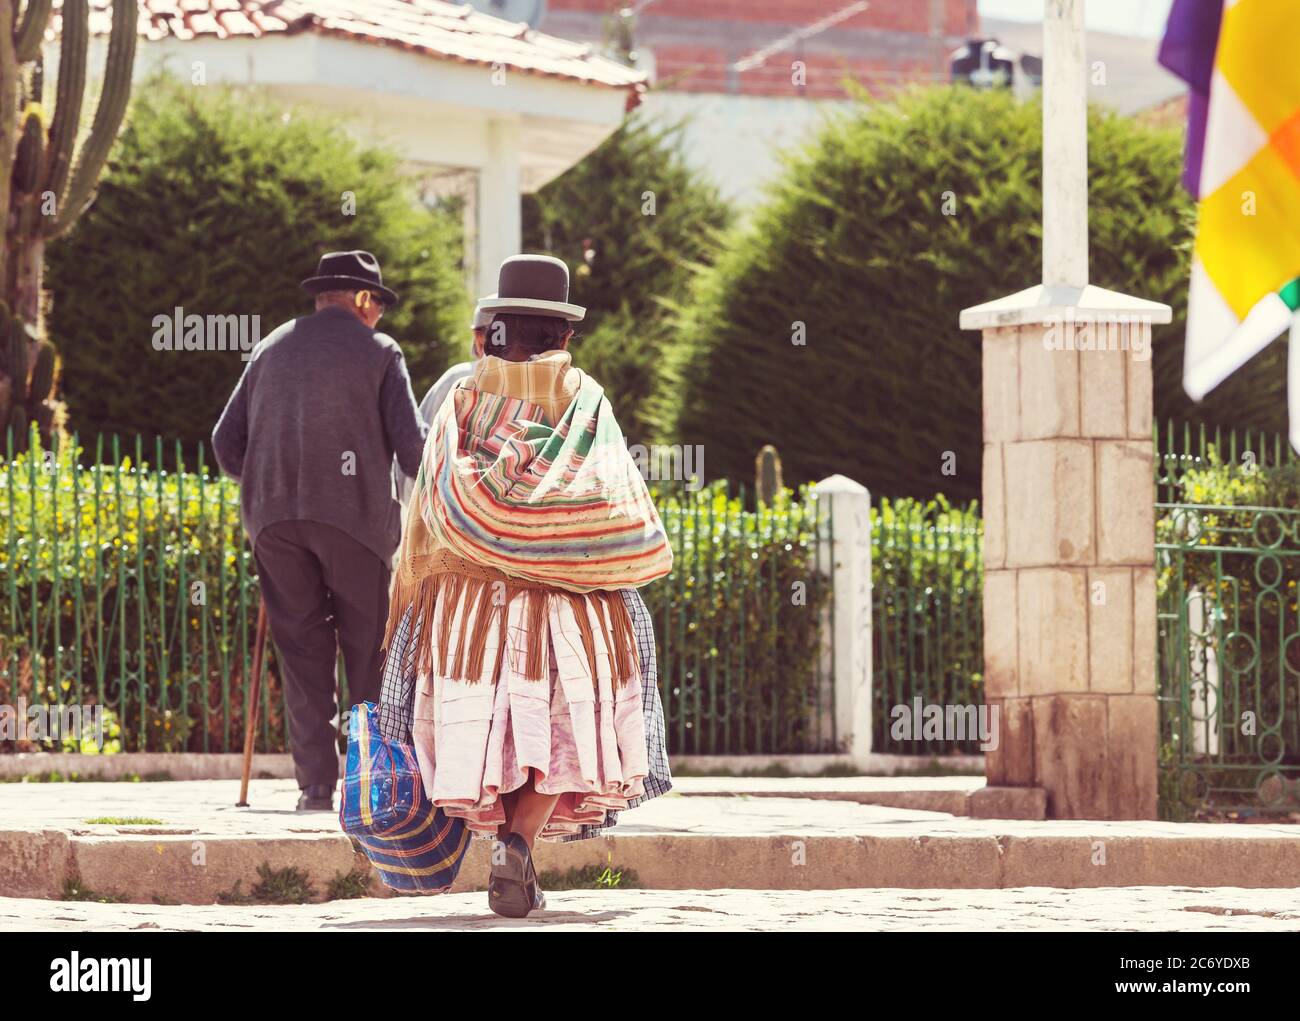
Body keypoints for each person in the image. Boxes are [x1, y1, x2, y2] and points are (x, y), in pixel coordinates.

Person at [383, 254, 672, 916]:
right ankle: (515, 843)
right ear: (564, 335)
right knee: (553, 729)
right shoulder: (583, 396)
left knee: (499, 728)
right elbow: (612, 493)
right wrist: (549, 535)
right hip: (567, 599)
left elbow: (429, 500)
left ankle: (514, 849)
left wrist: (483, 540)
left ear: (496, 328)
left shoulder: (465, 396)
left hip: (470, 608)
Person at [213, 250, 425, 812]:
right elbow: (413, 451)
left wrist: (269, 480)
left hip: (274, 522)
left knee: (302, 651)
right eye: (376, 301)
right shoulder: (380, 352)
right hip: (355, 522)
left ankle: (314, 788)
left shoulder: (270, 347)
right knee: (368, 653)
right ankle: (372, 783)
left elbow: (224, 443)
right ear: (362, 299)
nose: (378, 313)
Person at [391, 300, 491, 509]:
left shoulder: (458, 378)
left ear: (479, 339)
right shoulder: (461, 379)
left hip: (443, 513)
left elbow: (415, 456)